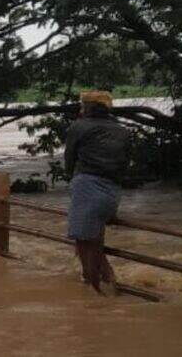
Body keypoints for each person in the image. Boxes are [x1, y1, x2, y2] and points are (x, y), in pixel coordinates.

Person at [65, 90, 130, 295]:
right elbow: (124, 164)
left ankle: (94, 292)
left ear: (87, 108)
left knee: (84, 243)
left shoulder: (79, 126)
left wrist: (72, 180)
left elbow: (69, 160)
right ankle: (109, 278)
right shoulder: (123, 130)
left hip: (86, 186)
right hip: (113, 191)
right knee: (94, 238)